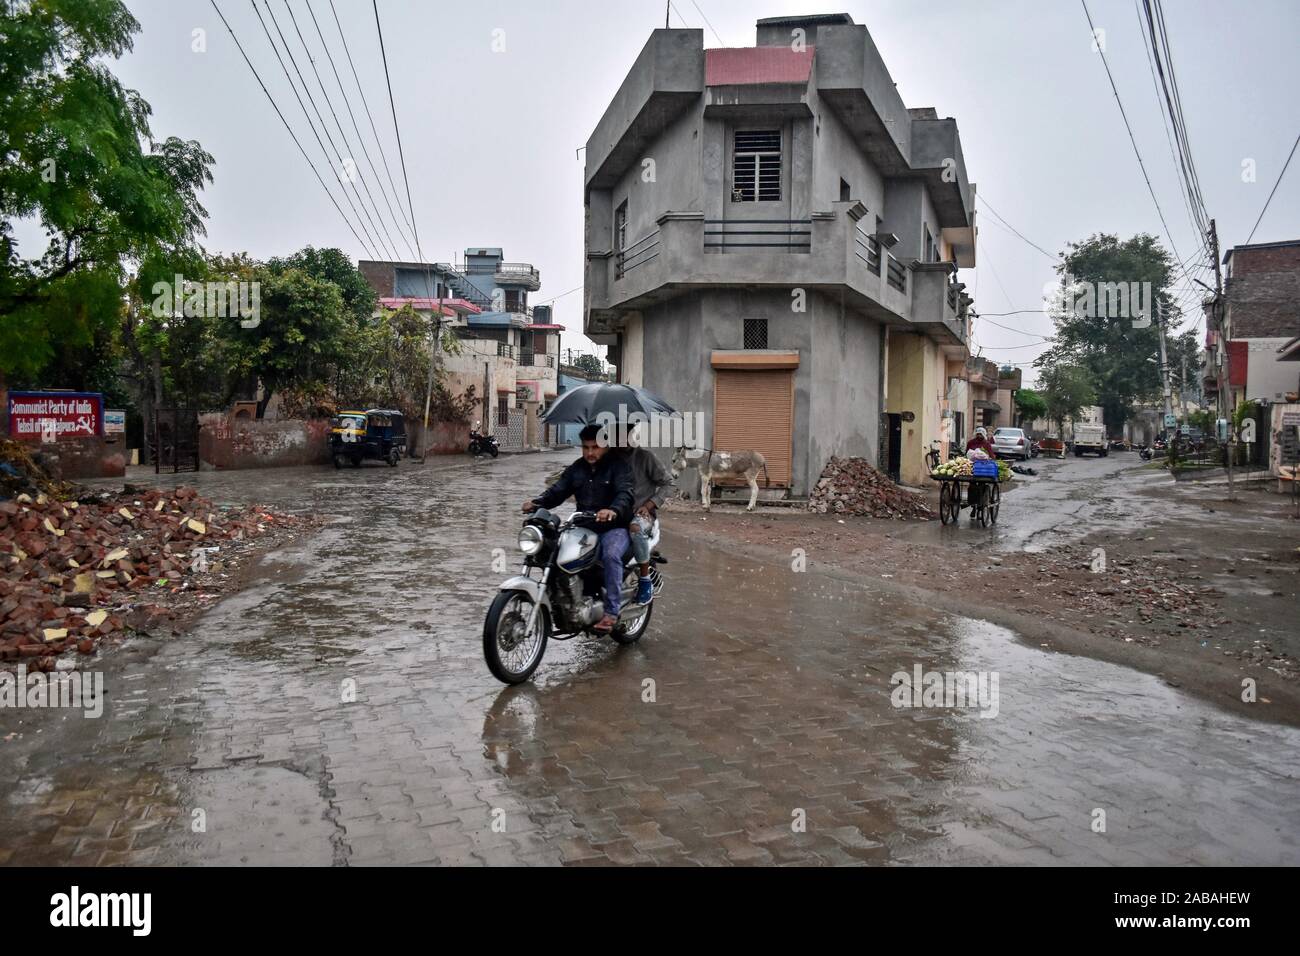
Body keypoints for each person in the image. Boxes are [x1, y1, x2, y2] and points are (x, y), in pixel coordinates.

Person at [522, 424, 635, 633]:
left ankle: (611, 612)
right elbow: (558, 490)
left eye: (595, 447)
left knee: (610, 555)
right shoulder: (577, 468)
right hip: (584, 527)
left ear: (606, 446)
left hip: (614, 527)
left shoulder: (619, 466)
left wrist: (612, 510)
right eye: (586, 447)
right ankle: (568, 601)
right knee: (558, 553)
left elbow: (625, 494)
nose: (590, 453)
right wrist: (538, 503)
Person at [618, 439, 676, 606]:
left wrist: (648, 505)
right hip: (615, 513)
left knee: (635, 528)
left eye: (622, 434)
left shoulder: (645, 458)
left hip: (641, 515)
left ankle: (645, 580)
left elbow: (669, 483)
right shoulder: (608, 458)